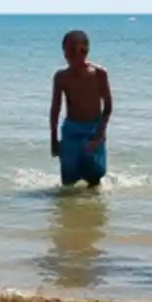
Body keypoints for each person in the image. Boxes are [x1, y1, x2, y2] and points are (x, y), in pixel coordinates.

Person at [50, 30, 113, 187]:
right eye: (66, 52)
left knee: (95, 177)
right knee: (68, 183)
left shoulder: (99, 74)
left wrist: (100, 133)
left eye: (73, 51)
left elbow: (108, 106)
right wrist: (53, 139)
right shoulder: (61, 77)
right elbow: (55, 108)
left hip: (93, 128)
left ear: (85, 51)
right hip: (71, 130)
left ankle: (92, 209)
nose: (68, 56)